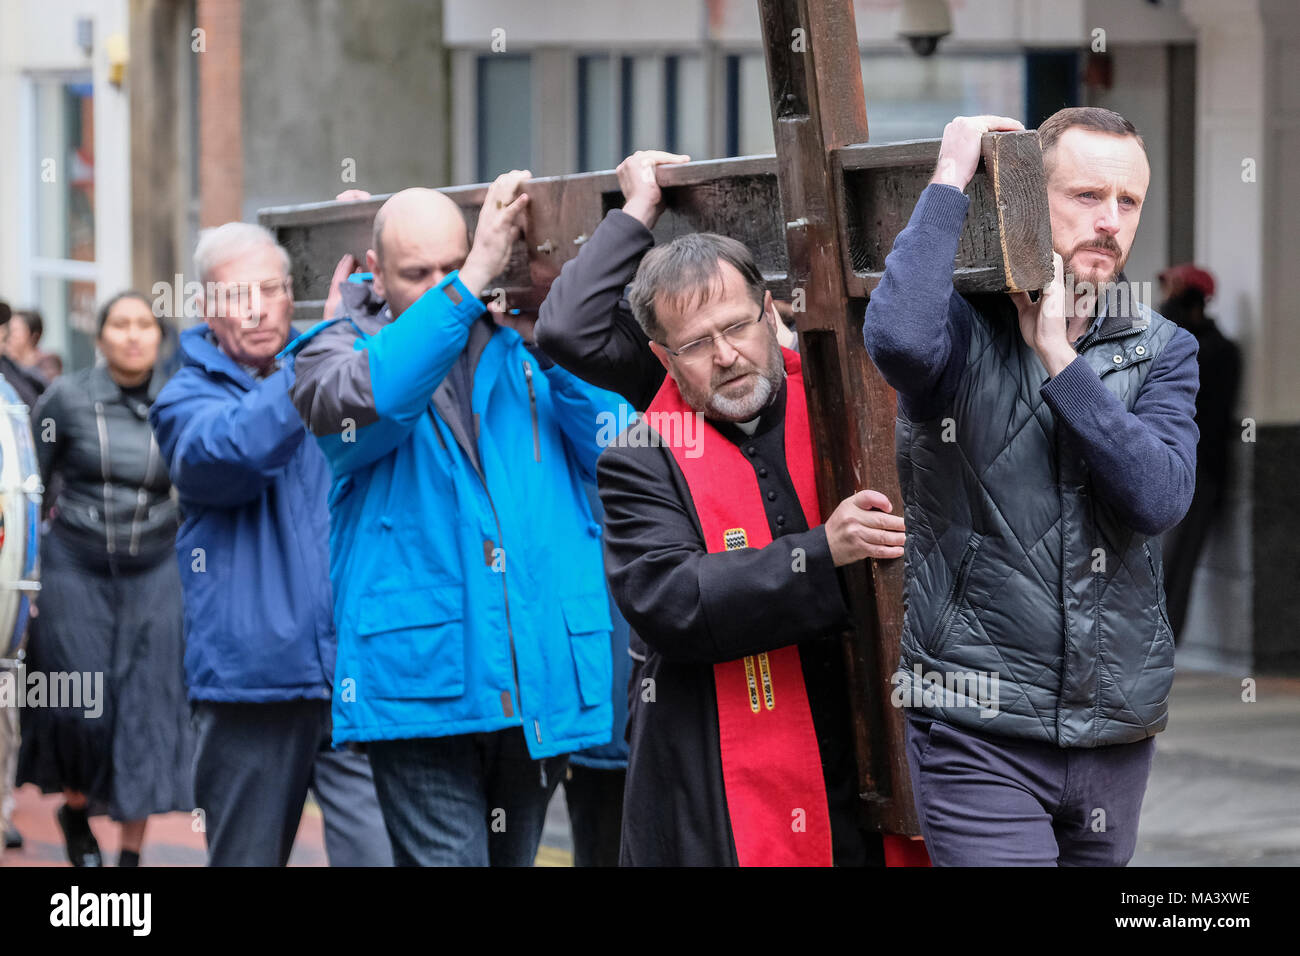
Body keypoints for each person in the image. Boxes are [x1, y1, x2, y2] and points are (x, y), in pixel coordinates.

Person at [861, 108, 1200, 866]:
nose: (1110, 221)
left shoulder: (1165, 348)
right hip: (976, 729)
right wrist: (951, 178)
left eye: (1128, 201)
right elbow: (895, 339)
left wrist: (1059, 360)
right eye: (1085, 196)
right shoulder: (958, 327)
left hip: (1115, 733)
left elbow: (1159, 498)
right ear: (1022, 195)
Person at [283, 174, 620, 867]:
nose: (440, 285)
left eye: (451, 265)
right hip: (421, 681)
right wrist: (467, 287)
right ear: (375, 272)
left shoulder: (522, 344)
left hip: (535, 673)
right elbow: (377, 403)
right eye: (419, 274)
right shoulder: (333, 348)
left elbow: (616, 451)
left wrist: (556, 342)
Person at [584, 228, 905, 866]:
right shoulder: (639, 455)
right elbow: (670, 598)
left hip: (862, 736)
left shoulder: (845, 408)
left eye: (738, 326)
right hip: (713, 768)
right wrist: (823, 552)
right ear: (662, 355)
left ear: (771, 313)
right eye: (698, 343)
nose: (727, 355)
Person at [149, 222, 392, 867]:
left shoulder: (326, 359)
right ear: (205, 308)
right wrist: (321, 349)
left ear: (292, 295)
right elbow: (238, 449)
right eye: (237, 295)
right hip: (251, 685)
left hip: (350, 673)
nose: (257, 308)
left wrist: (379, 246)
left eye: (271, 289)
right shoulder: (182, 399)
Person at [18, 291, 193, 867]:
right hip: (74, 567)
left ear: (159, 337)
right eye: (121, 324)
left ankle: (129, 862)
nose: (134, 335)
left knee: (147, 713)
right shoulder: (64, 399)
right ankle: (74, 810)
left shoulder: (180, 400)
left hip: (156, 570)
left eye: (145, 324)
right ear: (101, 337)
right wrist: (23, 580)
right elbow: (30, 491)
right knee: (77, 707)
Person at [1157, 264, 1240, 641]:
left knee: (1178, 565)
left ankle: (1165, 645)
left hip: (1199, 472)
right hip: (1162, 464)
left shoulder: (1218, 350)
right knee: (1157, 565)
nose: (1165, 297)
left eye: (1173, 291)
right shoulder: (1169, 337)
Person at [5, 308, 63, 383]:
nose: (9, 335)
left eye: (15, 330)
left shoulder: (47, 364)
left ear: (34, 336)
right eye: (8, 330)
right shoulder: (7, 364)